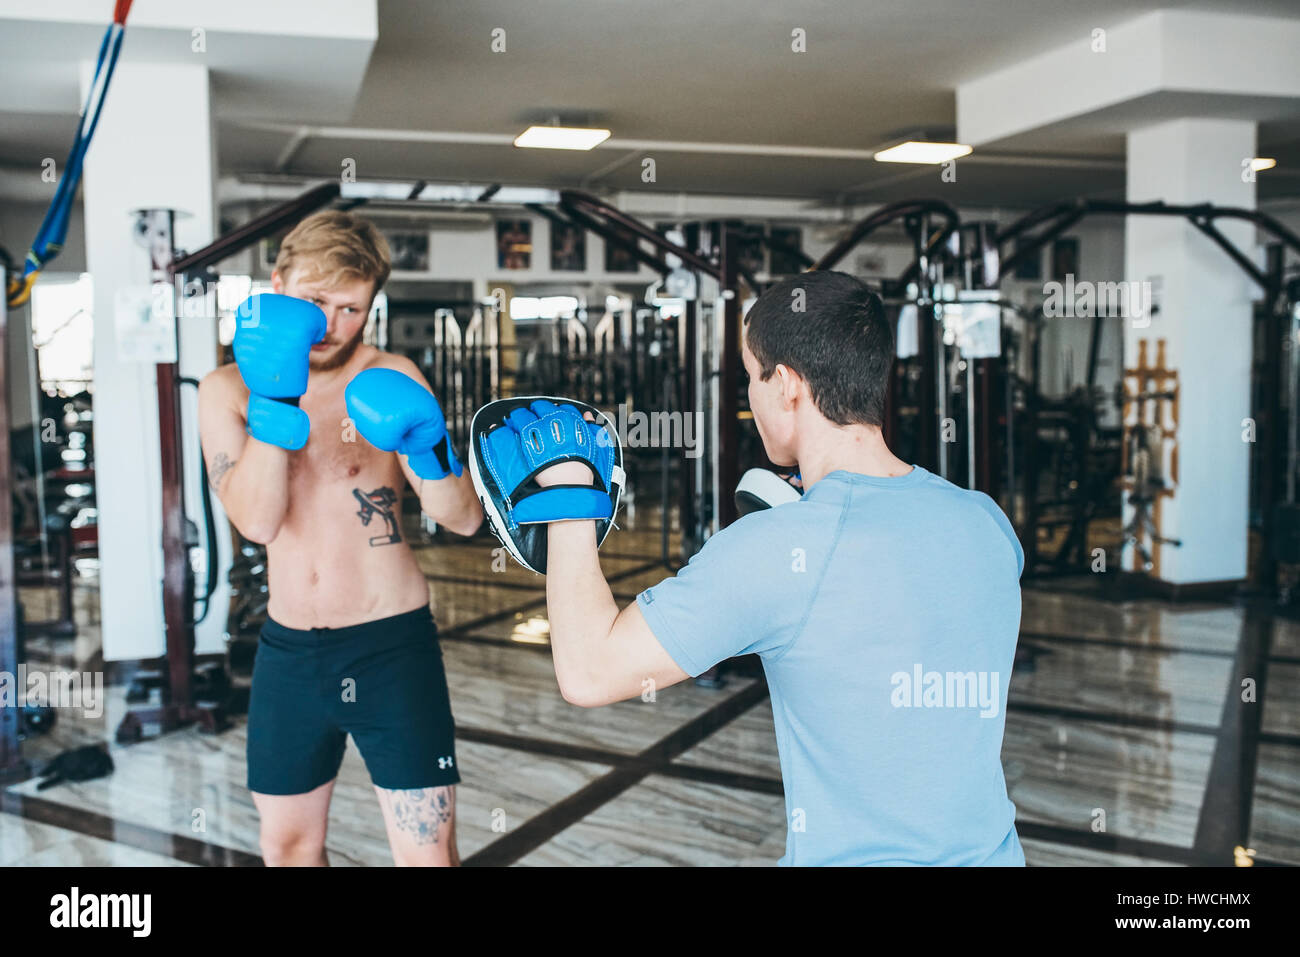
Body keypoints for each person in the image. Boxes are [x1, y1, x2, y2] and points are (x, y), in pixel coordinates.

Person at [534, 270, 1025, 866]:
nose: (749, 395)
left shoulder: (775, 551)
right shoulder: (987, 524)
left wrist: (566, 494)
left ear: (786, 385)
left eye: (750, 377)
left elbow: (588, 674)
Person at [198, 211, 482, 866]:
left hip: (391, 644)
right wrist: (276, 402)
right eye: (313, 301)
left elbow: (464, 519)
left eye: (350, 308)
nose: (330, 324)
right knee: (290, 849)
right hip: (289, 652)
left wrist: (431, 450)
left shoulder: (393, 375)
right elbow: (258, 521)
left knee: (427, 851)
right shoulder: (226, 391)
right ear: (276, 284)